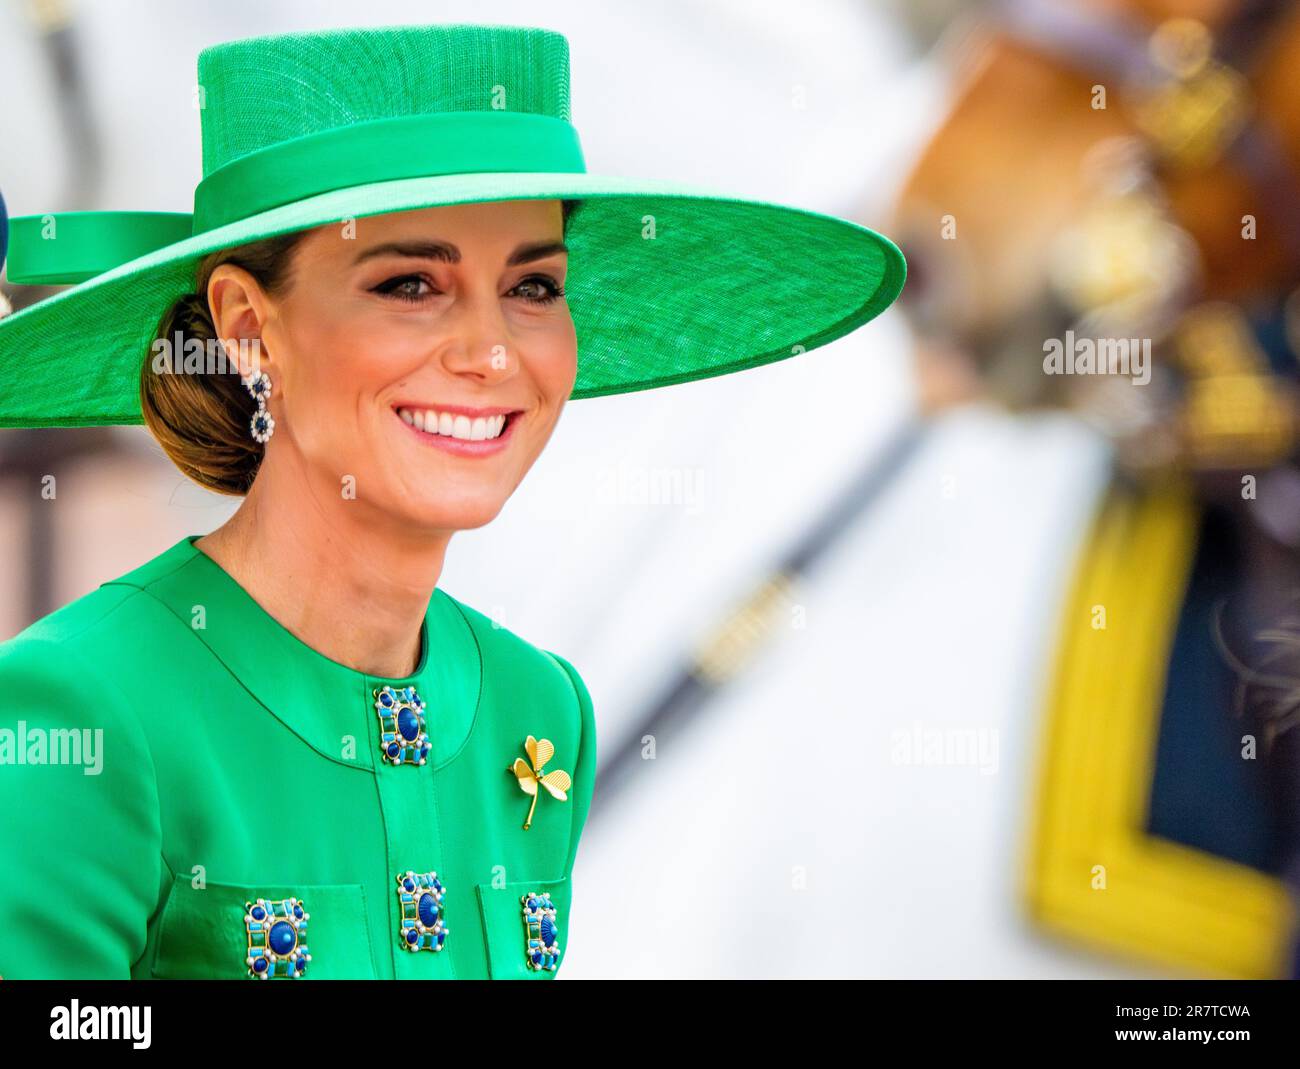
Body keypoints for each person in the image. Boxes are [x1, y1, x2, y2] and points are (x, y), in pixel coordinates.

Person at [0, 22, 903, 979]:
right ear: (250, 328)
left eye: (533, 285)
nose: (491, 352)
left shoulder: (540, 708)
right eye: (411, 284)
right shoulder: (82, 707)